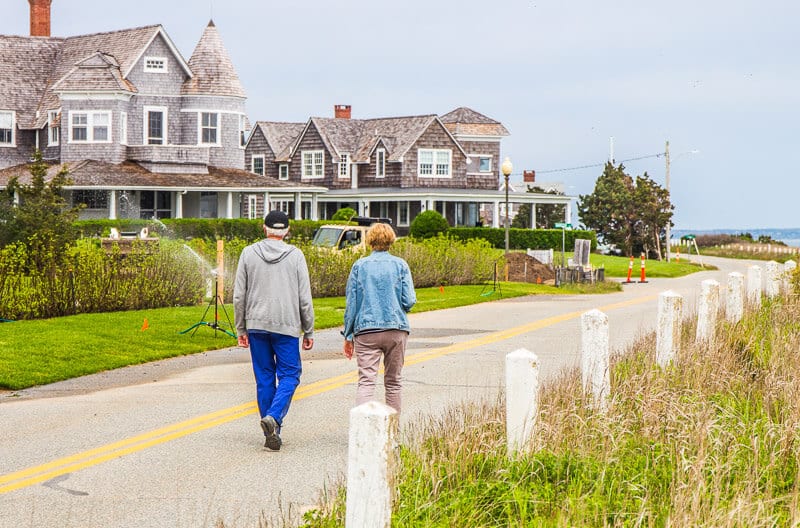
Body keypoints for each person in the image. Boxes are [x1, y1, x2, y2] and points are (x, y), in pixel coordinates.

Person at [233, 210, 314, 451]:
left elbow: (239, 296)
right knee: (290, 375)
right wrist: (308, 329)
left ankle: (273, 430)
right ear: (287, 230)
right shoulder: (296, 255)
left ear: (264, 228)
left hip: (256, 324)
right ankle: (275, 417)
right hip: (286, 324)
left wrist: (241, 327)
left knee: (265, 376)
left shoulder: (248, 253)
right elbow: (304, 298)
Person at [342, 222, 416, 414]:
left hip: (366, 331)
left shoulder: (359, 266)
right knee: (393, 382)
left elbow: (352, 304)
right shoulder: (400, 265)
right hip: (395, 328)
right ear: (391, 240)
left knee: (366, 382)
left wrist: (348, 335)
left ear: (370, 240)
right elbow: (409, 301)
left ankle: (363, 429)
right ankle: (393, 434)